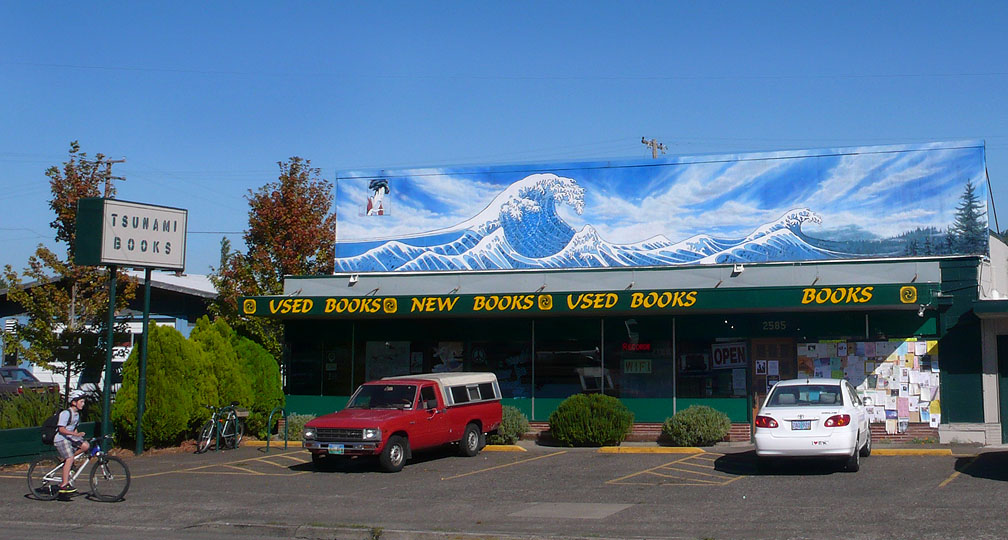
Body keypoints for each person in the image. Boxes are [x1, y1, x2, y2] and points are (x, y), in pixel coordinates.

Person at [54, 390, 90, 498]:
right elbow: (61, 429)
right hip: (61, 439)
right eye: (81, 402)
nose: (83, 404)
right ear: (74, 402)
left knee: (86, 445)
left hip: (69, 438)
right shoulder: (66, 413)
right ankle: (64, 485)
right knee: (69, 458)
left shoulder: (76, 415)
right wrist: (74, 434)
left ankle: (68, 461)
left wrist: (78, 436)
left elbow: (74, 429)